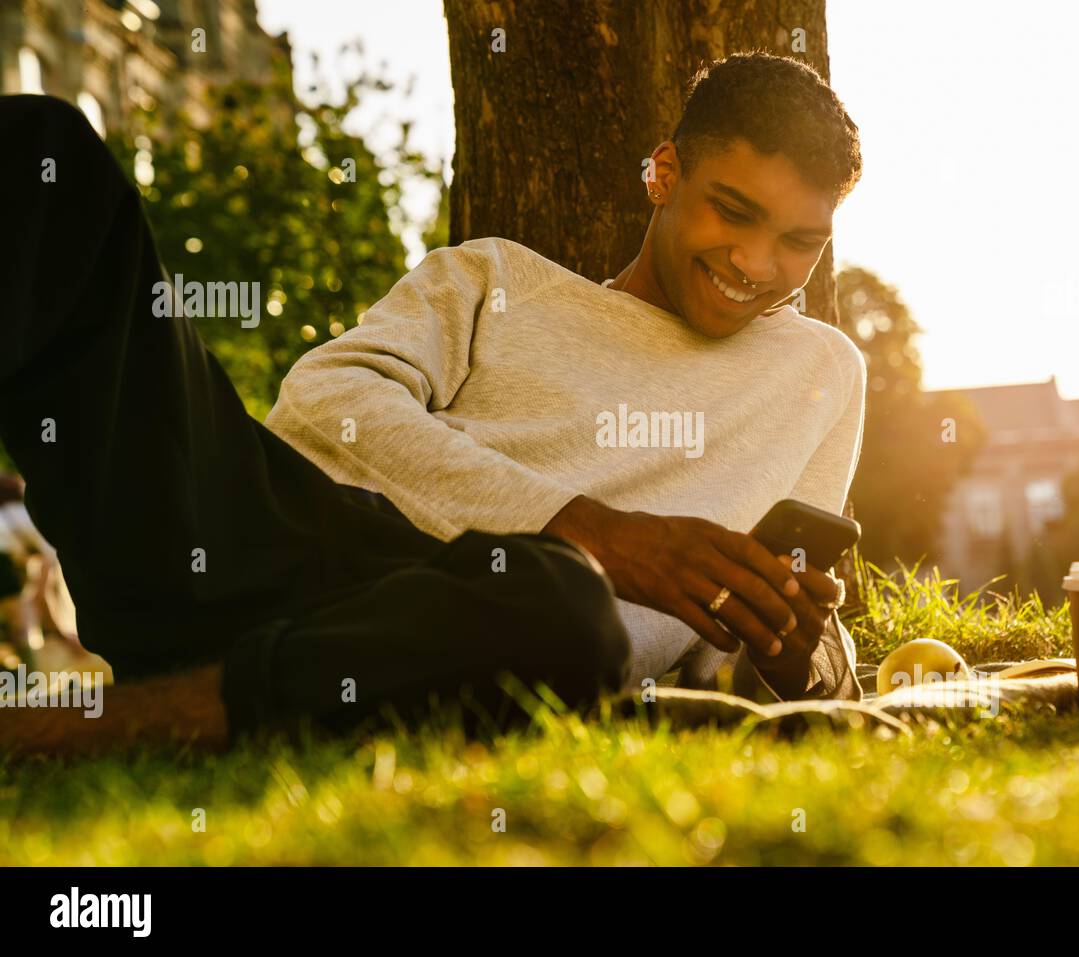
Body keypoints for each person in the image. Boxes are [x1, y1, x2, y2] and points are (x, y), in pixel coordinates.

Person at [0, 50, 863, 756]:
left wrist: (797, 654)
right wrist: (598, 531)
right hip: (284, 548)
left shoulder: (824, 373)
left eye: (799, 243)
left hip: (487, 635)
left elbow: (813, 641)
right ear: (665, 175)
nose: (756, 262)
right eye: (732, 212)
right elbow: (320, 407)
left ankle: (67, 732)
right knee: (45, 157)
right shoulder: (493, 276)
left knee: (561, 603)